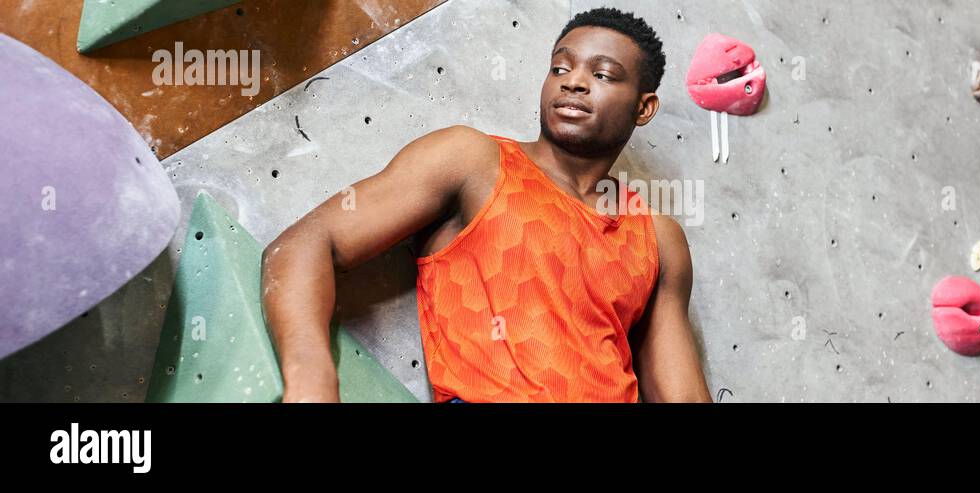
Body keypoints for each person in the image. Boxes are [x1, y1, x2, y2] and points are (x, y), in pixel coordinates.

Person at [261, 7, 711, 403]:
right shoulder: (472, 161)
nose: (573, 81)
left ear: (644, 107)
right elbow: (306, 243)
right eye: (560, 68)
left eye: (603, 74)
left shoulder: (658, 235)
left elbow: (683, 395)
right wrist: (312, 381)